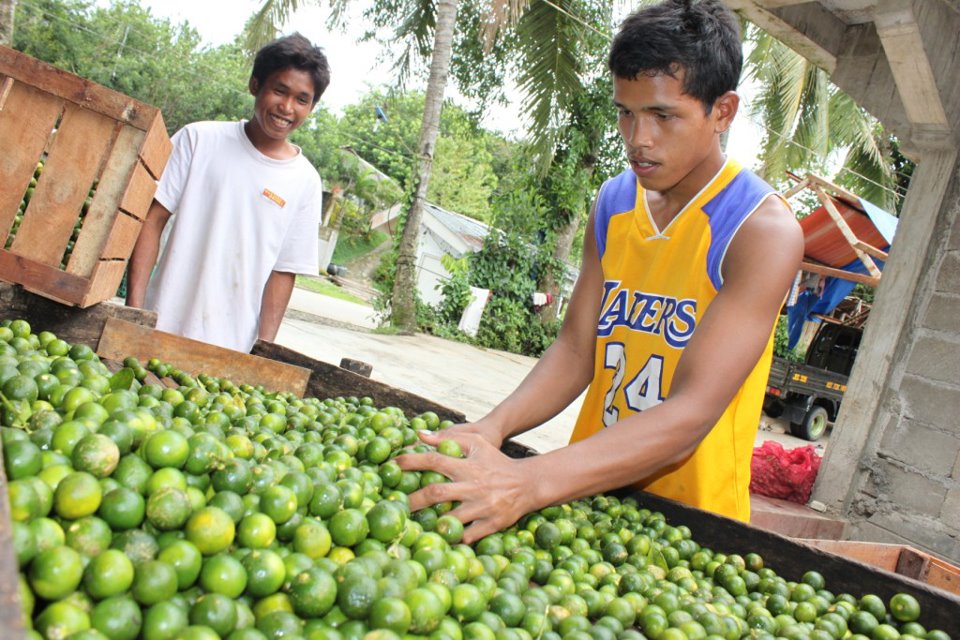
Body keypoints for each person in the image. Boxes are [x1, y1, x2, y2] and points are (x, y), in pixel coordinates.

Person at [396, 0, 804, 542]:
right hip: (584, 494)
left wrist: (528, 481)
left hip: (693, 528)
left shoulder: (758, 230)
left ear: (722, 112)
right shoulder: (614, 202)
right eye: (625, 113)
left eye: (663, 116)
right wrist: (493, 428)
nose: (638, 138)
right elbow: (575, 350)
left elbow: (690, 415)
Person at [126, 33, 330, 352]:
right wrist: (135, 313)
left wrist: (261, 352)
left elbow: (283, 271)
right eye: (279, 90)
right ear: (255, 85)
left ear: (311, 106)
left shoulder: (305, 181)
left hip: (229, 351)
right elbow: (152, 220)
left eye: (302, 100)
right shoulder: (198, 140)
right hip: (157, 329)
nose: (287, 107)